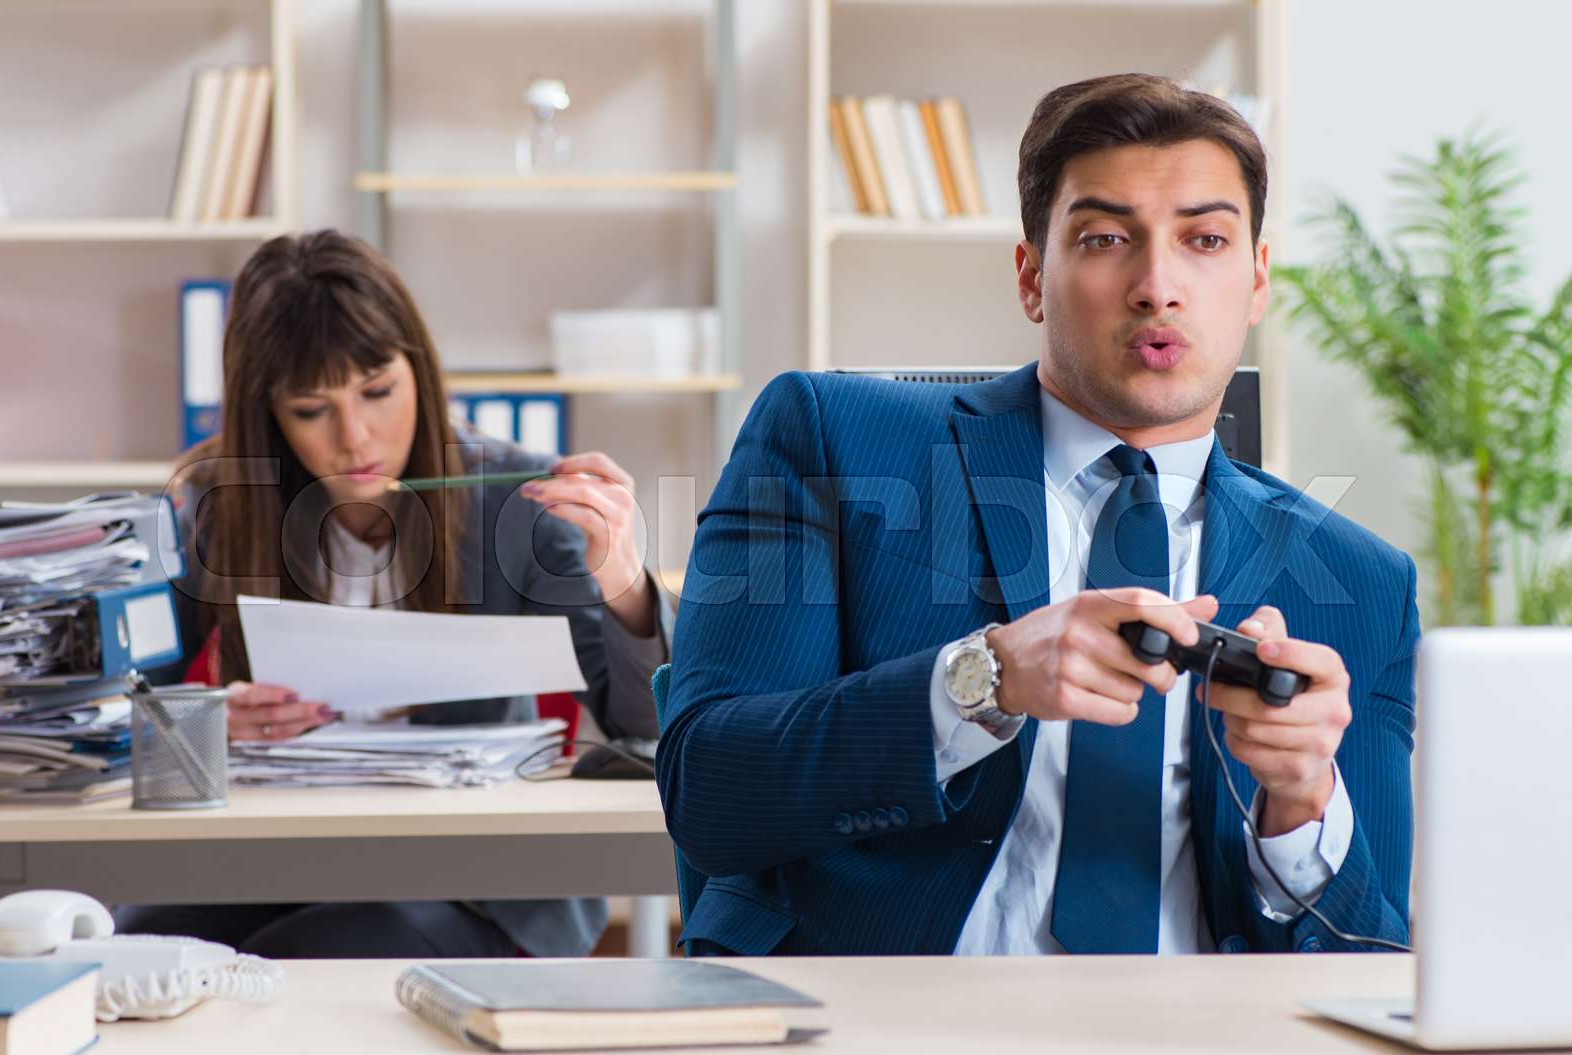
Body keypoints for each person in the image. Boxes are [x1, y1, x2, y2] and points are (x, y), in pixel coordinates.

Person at [658, 74, 1418, 957]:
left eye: (1205, 239)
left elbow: (1370, 958)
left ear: (1256, 282)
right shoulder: (831, 440)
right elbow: (709, 791)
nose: (1157, 286)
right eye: (1105, 238)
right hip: (888, 1009)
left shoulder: (1363, 581)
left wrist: (1303, 806)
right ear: (1031, 278)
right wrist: (980, 680)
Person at [117, 228, 671, 958]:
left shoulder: (517, 500)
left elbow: (643, 721)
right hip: (279, 853)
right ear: (268, 414)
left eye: (377, 391)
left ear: (421, 373)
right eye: (311, 409)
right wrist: (207, 720)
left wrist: (624, 581)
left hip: (470, 879)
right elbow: (128, 709)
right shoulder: (220, 503)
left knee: (301, 959)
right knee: (132, 953)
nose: (355, 437)